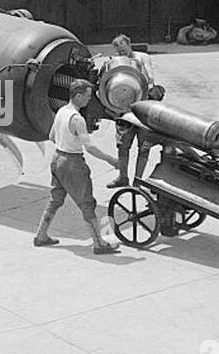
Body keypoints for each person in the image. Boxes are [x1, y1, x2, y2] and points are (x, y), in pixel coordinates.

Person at [33, 80, 121, 254]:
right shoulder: (77, 119)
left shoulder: (61, 112)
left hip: (57, 159)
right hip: (72, 163)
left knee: (55, 199)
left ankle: (41, 235)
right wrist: (110, 159)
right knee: (87, 203)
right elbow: (89, 147)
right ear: (78, 96)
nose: (89, 99)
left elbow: (51, 136)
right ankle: (99, 243)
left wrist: (65, 143)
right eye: (88, 96)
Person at [102, 34, 157, 189]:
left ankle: (138, 181)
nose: (122, 54)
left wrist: (138, 67)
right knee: (122, 145)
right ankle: (123, 177)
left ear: (129, 44)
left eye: (124, 50)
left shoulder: (142, 57)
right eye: (119, 52)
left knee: (144, 146)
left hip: (144, 105)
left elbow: (151, 79)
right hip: (124, 107)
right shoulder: (116, 61)